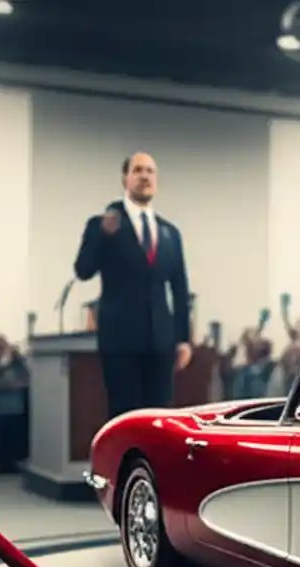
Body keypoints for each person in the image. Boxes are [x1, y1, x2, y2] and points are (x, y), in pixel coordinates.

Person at [74, 152, 192, 418]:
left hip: (161, 342)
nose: (145, 176)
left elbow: (180, 288)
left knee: (159, 417)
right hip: (120, 340)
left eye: (150, 171)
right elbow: (83, 270)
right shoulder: (104, 224)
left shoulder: (169, 233)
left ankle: (154, 463)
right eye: (138, 170)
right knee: (124, 416)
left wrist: (183, 339)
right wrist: (102, 234)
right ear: (125, 179)